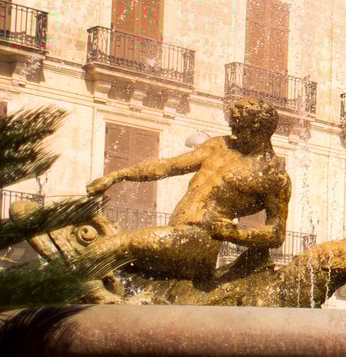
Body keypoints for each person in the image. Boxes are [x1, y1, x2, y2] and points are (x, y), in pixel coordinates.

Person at [83, 97, 291, 280]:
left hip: (199, 242)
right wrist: (116, 175)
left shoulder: (274, 176)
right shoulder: (219, 145)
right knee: (111, 270)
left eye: (238, 128)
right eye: (232, 126)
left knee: (108, 248)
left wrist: (236, 235)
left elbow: (276, 233)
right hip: (176, 235)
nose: (233, 132)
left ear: (259, 131)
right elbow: (168, 166)